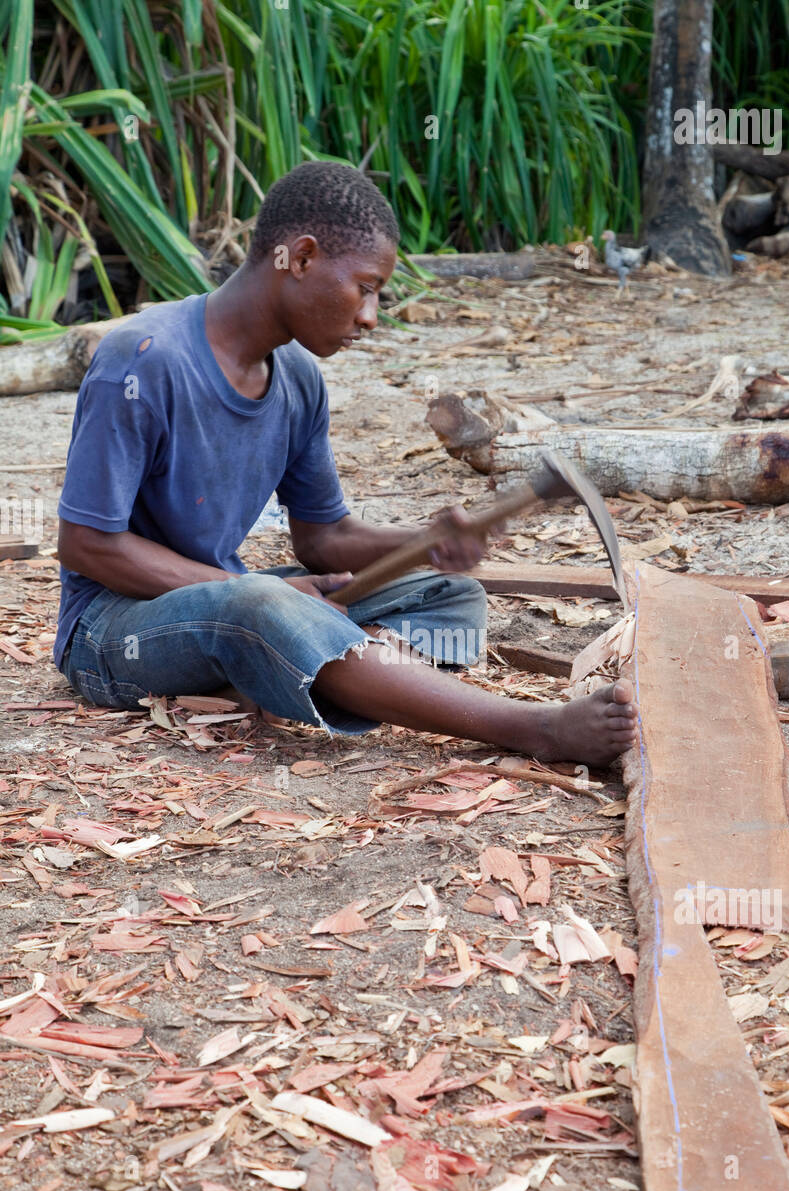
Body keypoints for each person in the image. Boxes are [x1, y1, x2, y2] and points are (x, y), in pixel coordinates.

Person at [55, 162, 636, 765]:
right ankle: (533, 729)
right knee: (263, 606)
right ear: (301, 259)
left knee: (448, 594)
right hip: (112, 630)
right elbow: (87, 546)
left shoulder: (298, 380)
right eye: (366, 286)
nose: (371, 315)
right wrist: (258, 594)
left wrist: (425, 541)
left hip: (226, 603)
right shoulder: (144, 358)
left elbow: (323, 537)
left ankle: (289, 663)